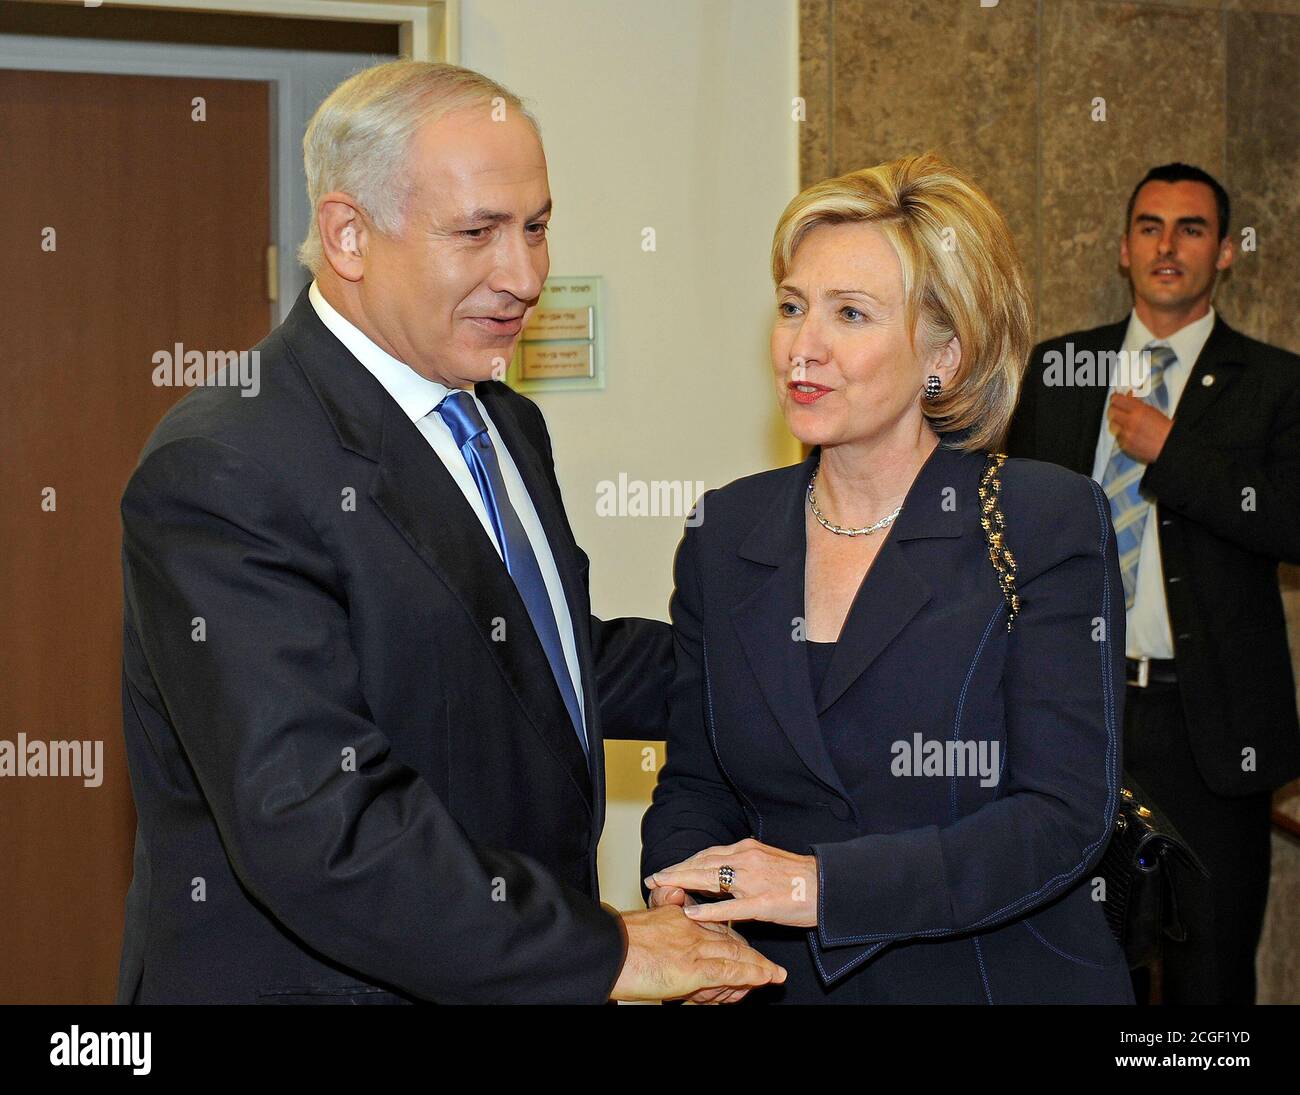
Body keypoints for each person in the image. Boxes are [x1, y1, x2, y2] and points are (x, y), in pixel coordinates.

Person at [115, 60, 784, 1005]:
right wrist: (606, 952)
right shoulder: (226, 464)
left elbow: (538, 665)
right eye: (477, 233)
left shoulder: (504, 421)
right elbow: (317, 823)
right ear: (348, 234)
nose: (524, 276)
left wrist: (794, 670)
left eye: (537, 227)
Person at [641, 152, 1134, 1004]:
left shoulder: (1041, 518)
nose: (804, 345)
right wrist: (691, 905)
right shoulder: (726, 530)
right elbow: (696, 779)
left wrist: (820, 887)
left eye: (851, 314)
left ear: (945, 350)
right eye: (792, 306)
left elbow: (1061, 816)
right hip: (774, 983)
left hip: (991, 978)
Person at [1004, 163, 1300, 1004]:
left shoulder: (1277, 383)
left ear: (1228, 252)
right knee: (1082, 964)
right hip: (1075, 716)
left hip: (1210, 731)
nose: (1168, 246)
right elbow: (1007, 524)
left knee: (1209, 974)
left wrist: (1177, 453)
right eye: (1150, 227)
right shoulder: (1059, 366)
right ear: (1125, 249)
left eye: (1192, 229)